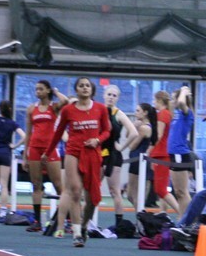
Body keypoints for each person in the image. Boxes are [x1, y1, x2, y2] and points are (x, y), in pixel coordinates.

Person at [44, 77, 111, 247]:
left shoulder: (100, 109)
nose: (85, 88)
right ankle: (77, 233)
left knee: (92, 199)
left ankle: (84, 225)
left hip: (93, 154)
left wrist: (97, 140)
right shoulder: (68, 110)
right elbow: (58, 132)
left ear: (92, 90)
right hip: (73, 152)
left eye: (87, 85)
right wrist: (48, 152)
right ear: (76, 90)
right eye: (81, 86)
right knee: (75, 191)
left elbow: (107, 131)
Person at [22, 80, 69, 231]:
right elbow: (28, 133)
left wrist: (55, 92)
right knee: (36, 185)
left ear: (47, 90)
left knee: (58, 185)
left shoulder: (54, 107)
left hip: (50, 148)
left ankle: (67, 219)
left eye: (41, 89)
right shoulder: (31, 109)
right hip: (35, 148)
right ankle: (37, 222)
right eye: (36, 89)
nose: (38, 91)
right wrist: (25, 156)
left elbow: (66, 101)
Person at [99, 85, 138, 225]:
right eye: (109, 94)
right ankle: (87, 223)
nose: (111, 97)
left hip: (113, 156)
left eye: (114, 95)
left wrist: (122, 147)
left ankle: (119, 224)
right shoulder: (98, 111)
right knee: (91, 189)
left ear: (118, 98)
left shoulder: (119, 114)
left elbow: (134, 132)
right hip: (98, 153)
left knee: (114, 191)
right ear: (104, 95)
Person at [148, 91, 179, 217]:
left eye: (154, 100)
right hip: (161, 154)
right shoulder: (165, 114)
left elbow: (158, 136)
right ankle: (163, 213)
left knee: (160, 189)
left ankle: (181, 212)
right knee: (161, 188)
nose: (153, 102)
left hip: (161, 154)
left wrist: (149, 151)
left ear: (159, 100)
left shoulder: (162, 114)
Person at [167, 86, 195, 217]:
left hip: (180, 155)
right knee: (178, 192)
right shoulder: (177, 116)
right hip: (174, 155)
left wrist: (183, 91)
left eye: (174, 99)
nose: (172, 102)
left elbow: (181, 102)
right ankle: (183, 219)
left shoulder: (187, 114)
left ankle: (186, 220)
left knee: (182, 192)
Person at [125, 103, 155, 211]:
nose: (135, 113)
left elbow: (132, 146)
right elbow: (127, 135)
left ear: (145, 113)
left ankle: (141, 216)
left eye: (138, 111)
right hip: (134, 162)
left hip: (140, 162)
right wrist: (133, 126)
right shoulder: (139, 126)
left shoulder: (144, 128)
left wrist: (134, 129)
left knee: (136, 196)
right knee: (130, 195)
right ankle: (141, 215)